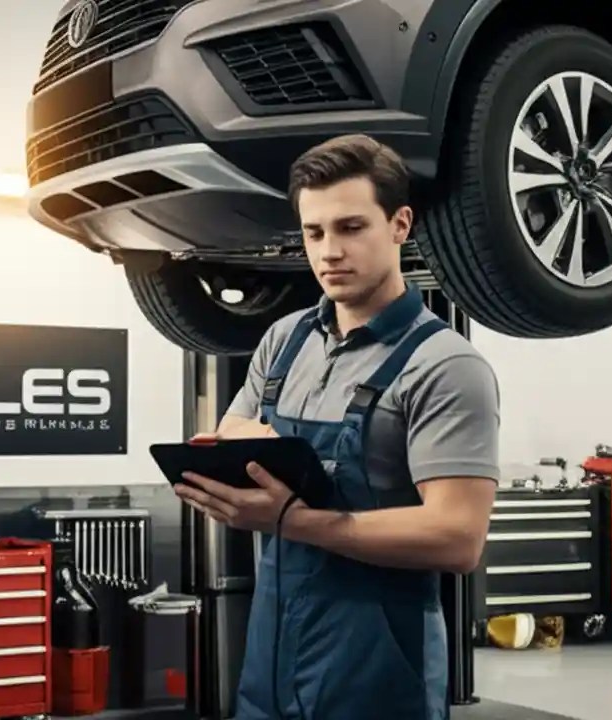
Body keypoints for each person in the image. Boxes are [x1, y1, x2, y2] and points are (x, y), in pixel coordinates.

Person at [172, 134, 500, 720]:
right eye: (314, 232)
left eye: (351, 228)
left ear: (400, 224)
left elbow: (457, 536)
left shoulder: (445, 365)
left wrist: (291, 520)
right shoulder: (284, 339)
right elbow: (231, 433)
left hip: (377, 676)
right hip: (271, 664)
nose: (329, 253)